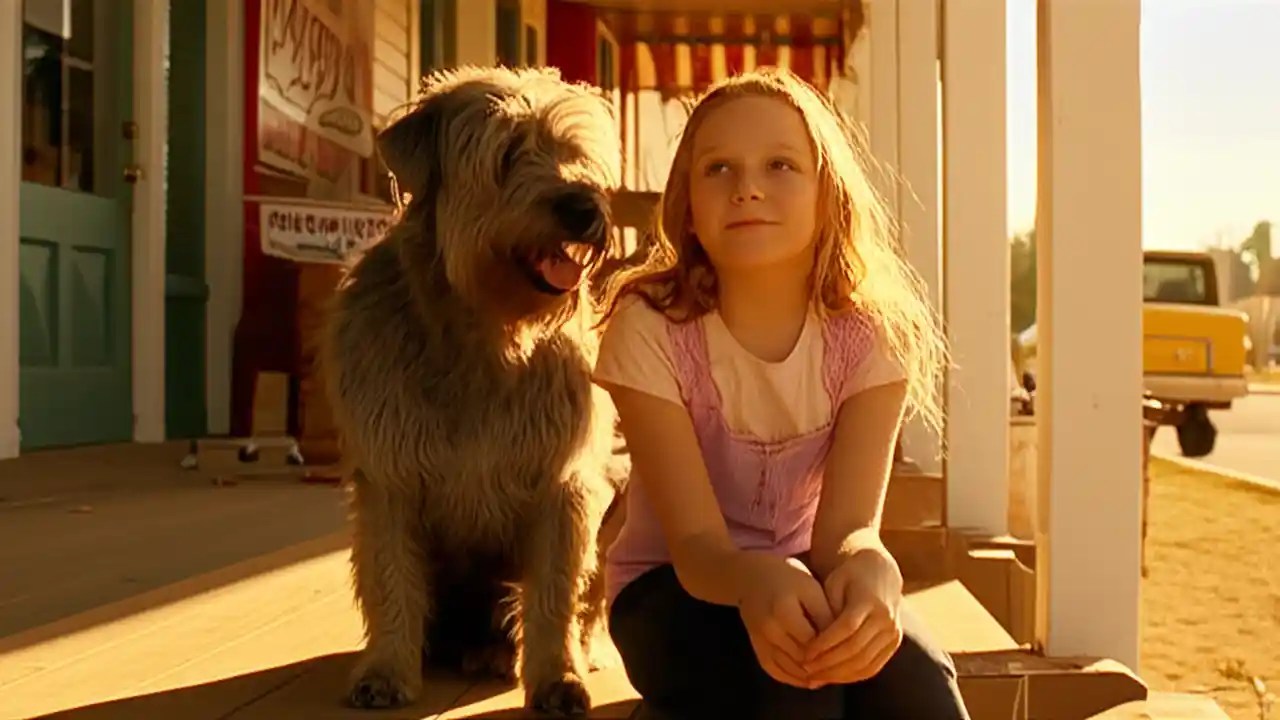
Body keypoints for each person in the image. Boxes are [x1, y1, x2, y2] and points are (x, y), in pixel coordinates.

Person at [591, 67, 969, 720]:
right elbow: (700, 550)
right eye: (718, 169)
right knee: (799, 690)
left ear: (830, 193)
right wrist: (757, 578)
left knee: (916, 681)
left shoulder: (872, 334)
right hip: (672, 591)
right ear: (685, 201)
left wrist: (872, 571)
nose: (748, 189)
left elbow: (847, 532)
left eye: (780, 165)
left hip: (807, 582)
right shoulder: (650, 326)